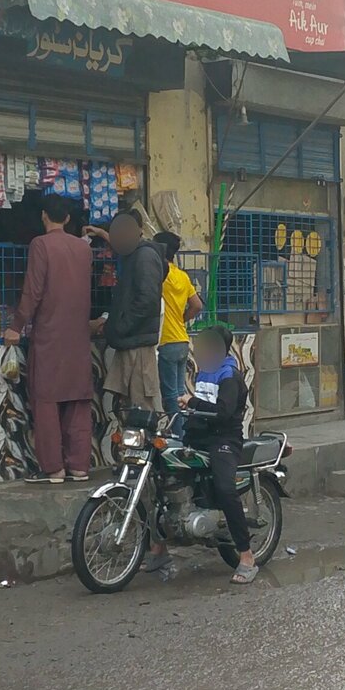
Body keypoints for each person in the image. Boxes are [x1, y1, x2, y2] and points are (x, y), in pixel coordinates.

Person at [146, 325, 257, 584]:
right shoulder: (205, 371)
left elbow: (224, 412)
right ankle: (159, 548)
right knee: (162, 475)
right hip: (199, 435)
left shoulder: (230, 375)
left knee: (225, 488)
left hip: (224, 440)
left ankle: (246, 556)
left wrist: (192, 402)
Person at [3, 193, 100, 484]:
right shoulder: (84, 251)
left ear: (44, 216)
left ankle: (54, 469)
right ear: (68, 219)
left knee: (46, 402)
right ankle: (80, 467)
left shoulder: (40, 245)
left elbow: (33, 291)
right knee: (78, 402)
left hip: (48, 337)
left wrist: (16, 326)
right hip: (79, 338)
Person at [102, 211, 167, 411]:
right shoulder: (132, 256)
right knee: (130, 409)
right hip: (130, 342)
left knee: (144, 409)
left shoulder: (144, 256)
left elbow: (146, 300)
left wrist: (120, 326)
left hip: (137, 343)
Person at [153, 231, 202, 435]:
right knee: (181, 394)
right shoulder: (182, 276)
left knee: (171, 396)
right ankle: (186, 434)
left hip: (166, 341)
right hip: (183, 340)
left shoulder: (159, 275)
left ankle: (180, 438)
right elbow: (197, 305)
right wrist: (181, 319)